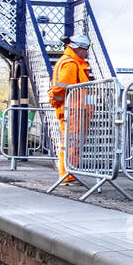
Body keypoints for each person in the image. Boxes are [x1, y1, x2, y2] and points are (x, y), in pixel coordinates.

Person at [48, 34, 92, 184]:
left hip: (73, 110)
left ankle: (68, 173)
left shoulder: (72, 63)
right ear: (78, 48)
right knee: (70, 144)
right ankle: (67, 175)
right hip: (72, 111)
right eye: (86, 49)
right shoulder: (71, 64)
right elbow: (62, 88)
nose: (86, 53)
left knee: (71, 144)